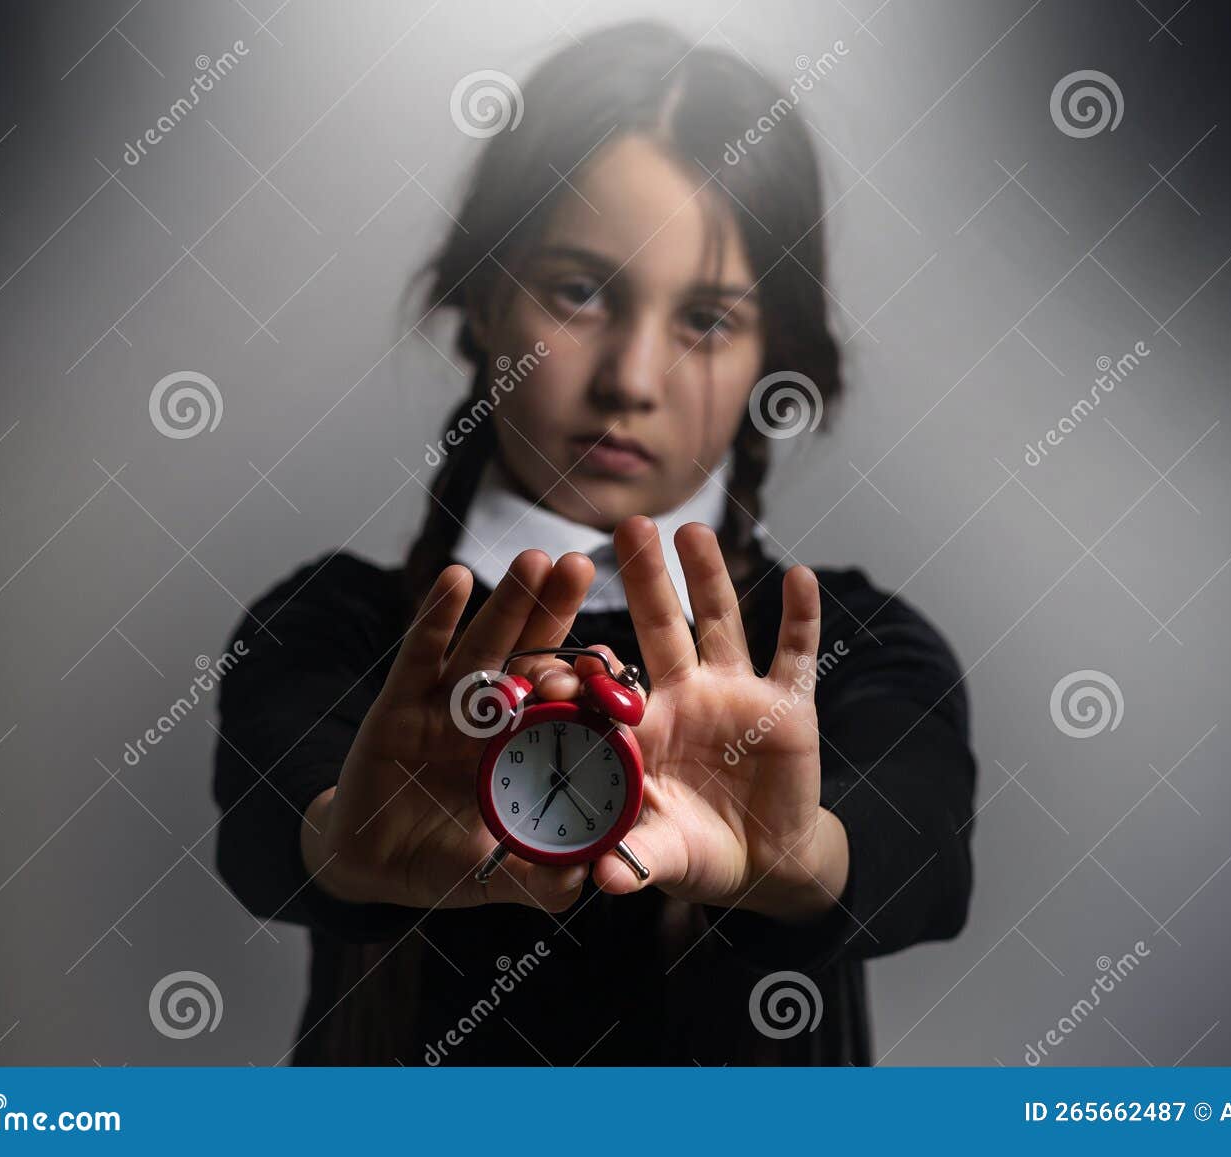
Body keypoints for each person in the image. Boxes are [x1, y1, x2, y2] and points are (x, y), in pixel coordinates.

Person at [212, 20, 976, 1065]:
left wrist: (799, 854)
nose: (631, 377)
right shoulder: (330, 627)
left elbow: (920, 842)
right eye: (578, 291)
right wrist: (344, 842)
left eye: (705, 317)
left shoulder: (852, 643)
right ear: (481, 296)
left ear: (774, 355)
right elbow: (277, 810)